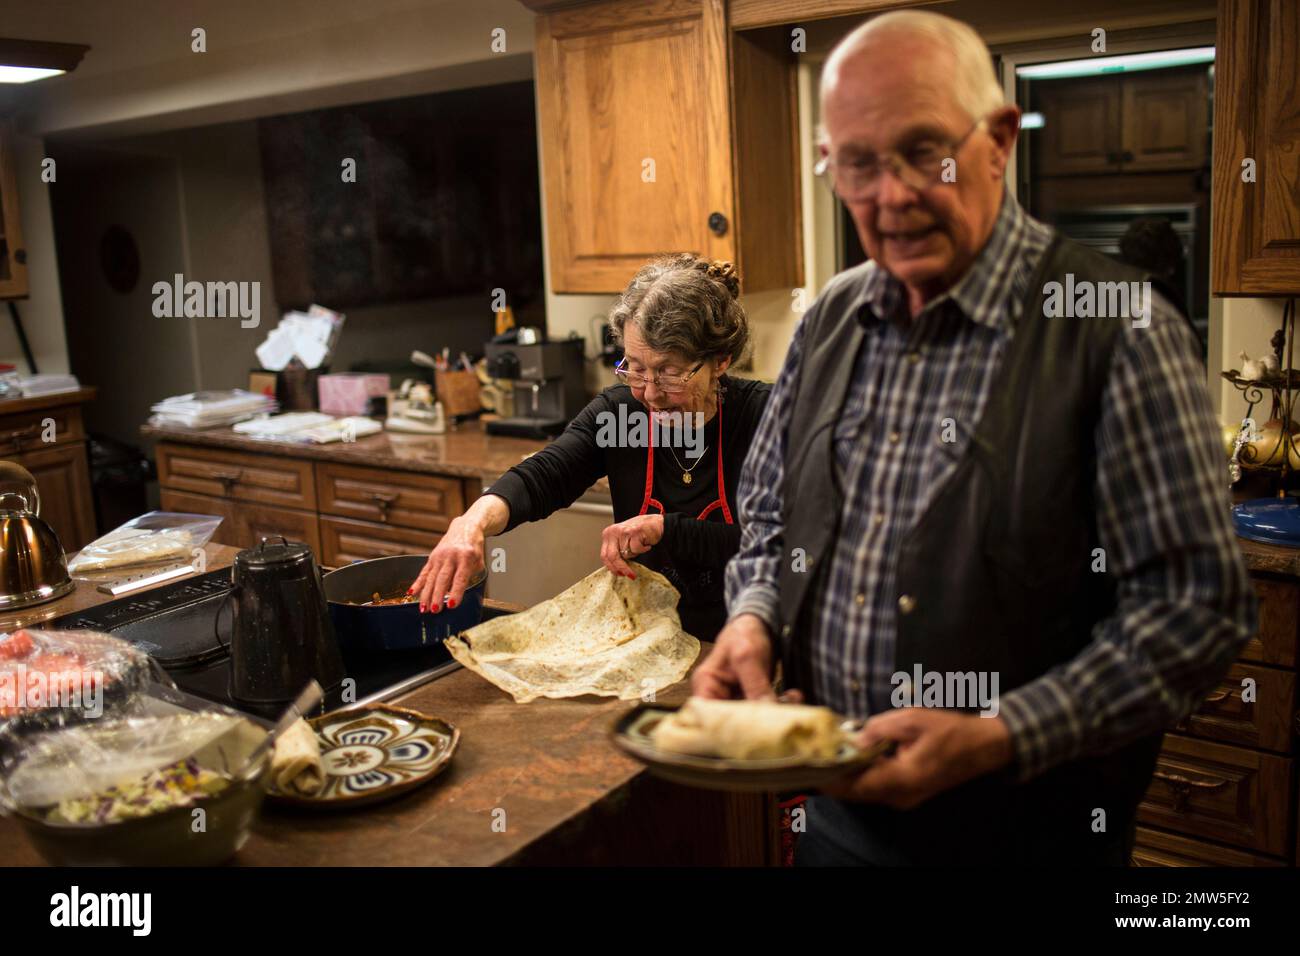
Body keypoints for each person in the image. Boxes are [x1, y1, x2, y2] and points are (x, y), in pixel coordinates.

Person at [693, 10, 1256, 865]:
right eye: (856, 163)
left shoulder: (1119, 329)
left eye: (924, 152)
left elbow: (1197, 614)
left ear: (998, 141)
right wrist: (752, 621)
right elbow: (769, 523)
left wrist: (1001, 733)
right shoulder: (832, 320)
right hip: (835, 823)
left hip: (1031, 837)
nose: (891, 195)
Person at [411, 254, 771, 641]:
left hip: (753, 641)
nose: (650, 393)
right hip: (647, 640)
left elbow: (783, 543)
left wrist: (666, 530)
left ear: (720, 361)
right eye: (635, 368)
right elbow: (545, 475)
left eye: (669, 372)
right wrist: (472, 523)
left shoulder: (766, 418)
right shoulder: (620, 413)